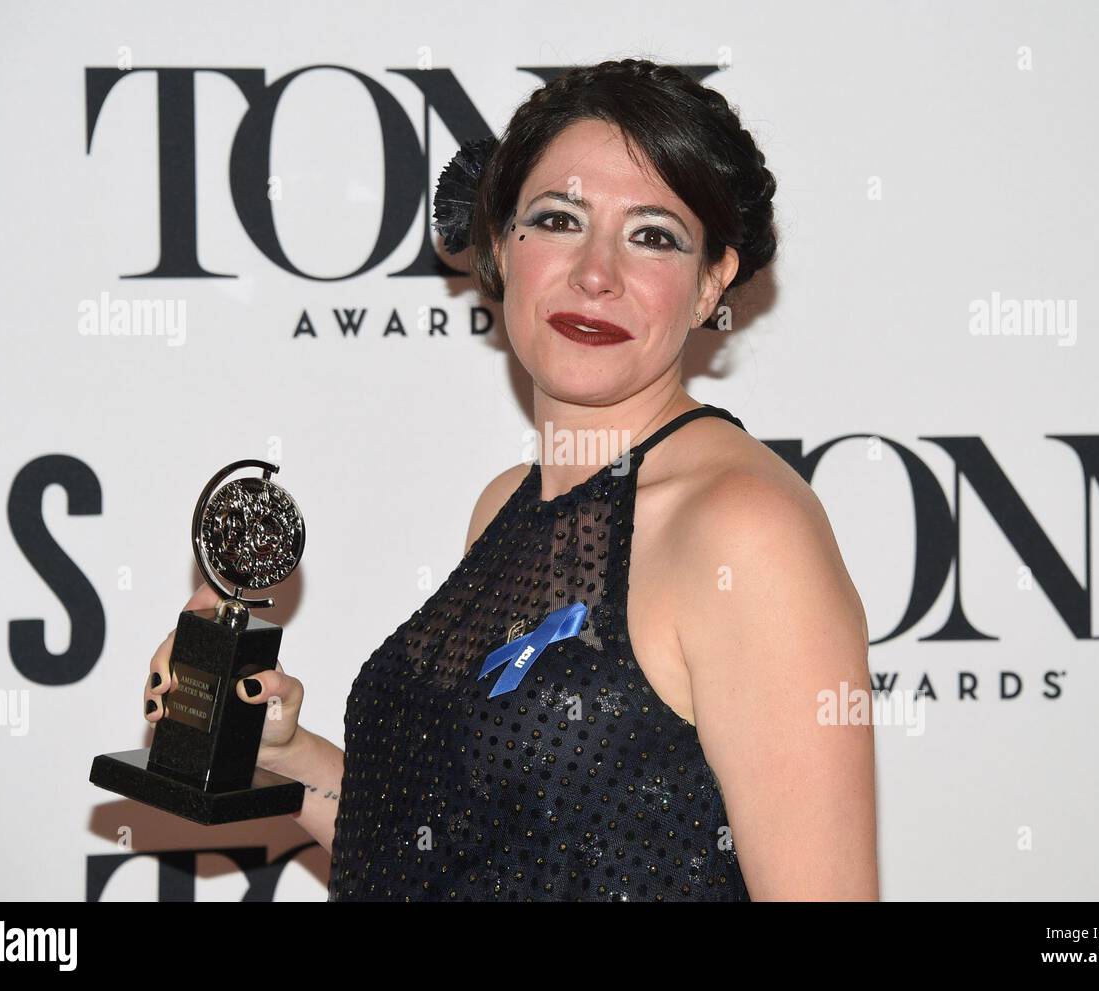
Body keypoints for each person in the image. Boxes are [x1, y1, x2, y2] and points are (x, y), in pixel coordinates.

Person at [145, 58, 877, 901]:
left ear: (713, 277)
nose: (596, 273)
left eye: (653, 235)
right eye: (560, 219)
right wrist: (283, 752)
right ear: (500, 247)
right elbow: (456, 861)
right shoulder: (509, 504)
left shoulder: (742, 529)